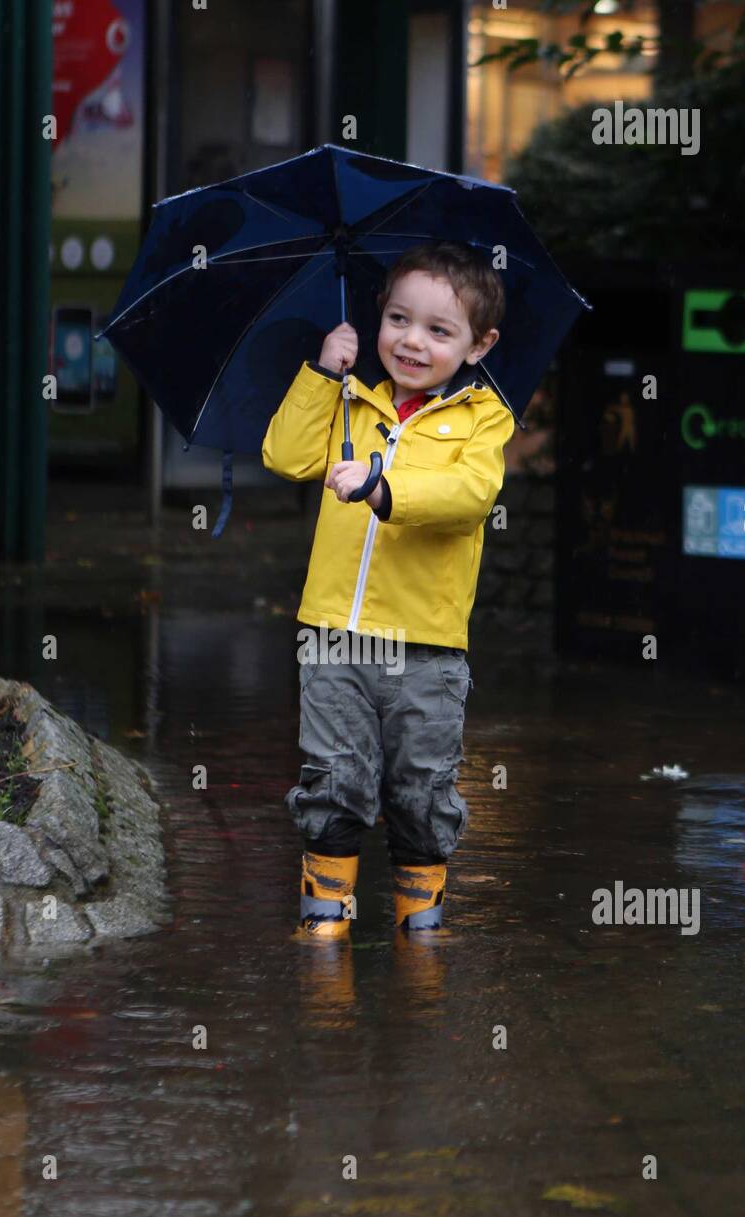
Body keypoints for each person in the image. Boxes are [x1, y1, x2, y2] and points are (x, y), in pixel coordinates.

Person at [262, 241, 514, 939]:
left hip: (427, 645)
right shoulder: (352, 399)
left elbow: (468, 495)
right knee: (334, 777)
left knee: (420, 789)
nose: (412, 340)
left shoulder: (483, 420)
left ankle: (419, 920)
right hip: (333, 634)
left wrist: (383, 489)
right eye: (399, 319)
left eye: (439, 330)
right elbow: (284, 455)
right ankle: (325, 917)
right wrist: (321, 372)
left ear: (477, 344)